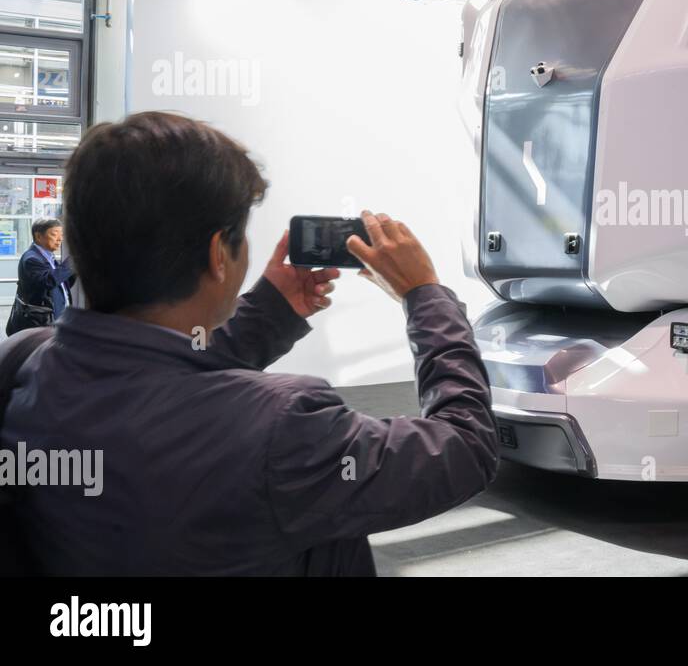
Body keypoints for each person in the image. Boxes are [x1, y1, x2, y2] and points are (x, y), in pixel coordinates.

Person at [0, 111, 498, 575]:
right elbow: (464, 447)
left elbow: (154, 376)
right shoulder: (284, 428)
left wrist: (272, 310)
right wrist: (424, 295)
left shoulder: (24, 362)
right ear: (219, 253)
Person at [5, 219, 76, 336]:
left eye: (61, 235)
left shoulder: (48, 255)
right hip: (39, 323)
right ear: (38, 236)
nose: (60, 239)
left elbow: (60, 283)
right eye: (54, 234)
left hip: (55, 317)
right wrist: (72, 261)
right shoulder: (32, 259)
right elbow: (48, 281)